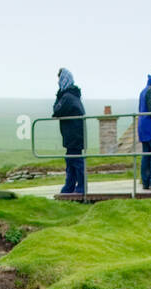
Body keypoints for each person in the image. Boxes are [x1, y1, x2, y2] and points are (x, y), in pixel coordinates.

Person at [53, 68, 86, 196]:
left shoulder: (67, 97)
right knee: (71, 160)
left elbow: (57, 110)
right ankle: (70, 185)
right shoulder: (73, 95)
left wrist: (58, 95)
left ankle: (81, 186)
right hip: (74, 134)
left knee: (75, 160)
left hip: (73, 134)